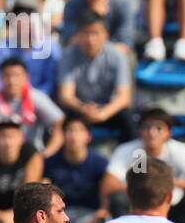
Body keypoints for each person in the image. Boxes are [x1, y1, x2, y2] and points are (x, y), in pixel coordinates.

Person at [100, 107, 185, 223]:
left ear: (169, 133)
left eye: (159, 128)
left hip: (171, 207)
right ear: (140, 131)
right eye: (147, 127)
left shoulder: (180, 150)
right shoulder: (126, 150)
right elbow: (108, 186)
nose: (152, 133)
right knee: (119, 198)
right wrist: (144, 187)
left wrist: (164, 183)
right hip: (137, 207)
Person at [0, 57, 64, 164]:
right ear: (0, 77)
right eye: (7, 76)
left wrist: (46, 154)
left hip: (29, 160)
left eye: (16, 75)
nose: (11, 81)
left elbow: (60, 123)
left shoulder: (37, 98)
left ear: (26, 77)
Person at [57, 11, 135, 140]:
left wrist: (104, 113)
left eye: (95, 33)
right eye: (86, 33)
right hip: (79, 109)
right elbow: (66, 95)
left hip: (109, 109)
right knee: (58, 117)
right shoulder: (68, 55)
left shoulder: (117, 55)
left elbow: (124, 97)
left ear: (105, 35)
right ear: (77, 35)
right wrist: (82, 108)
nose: (90, 39)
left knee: (128, 119)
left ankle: (129, 152)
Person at [43, 115, 107, 223]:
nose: (74, 135)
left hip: (91, 215)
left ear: (89, 136)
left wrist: (101, 214)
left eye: (79, 130)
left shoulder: (100, 163)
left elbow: (105, 200)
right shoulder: (49, 163)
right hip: (59, 214)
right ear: (63, 135)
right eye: (70, 130)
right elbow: (44, 191)